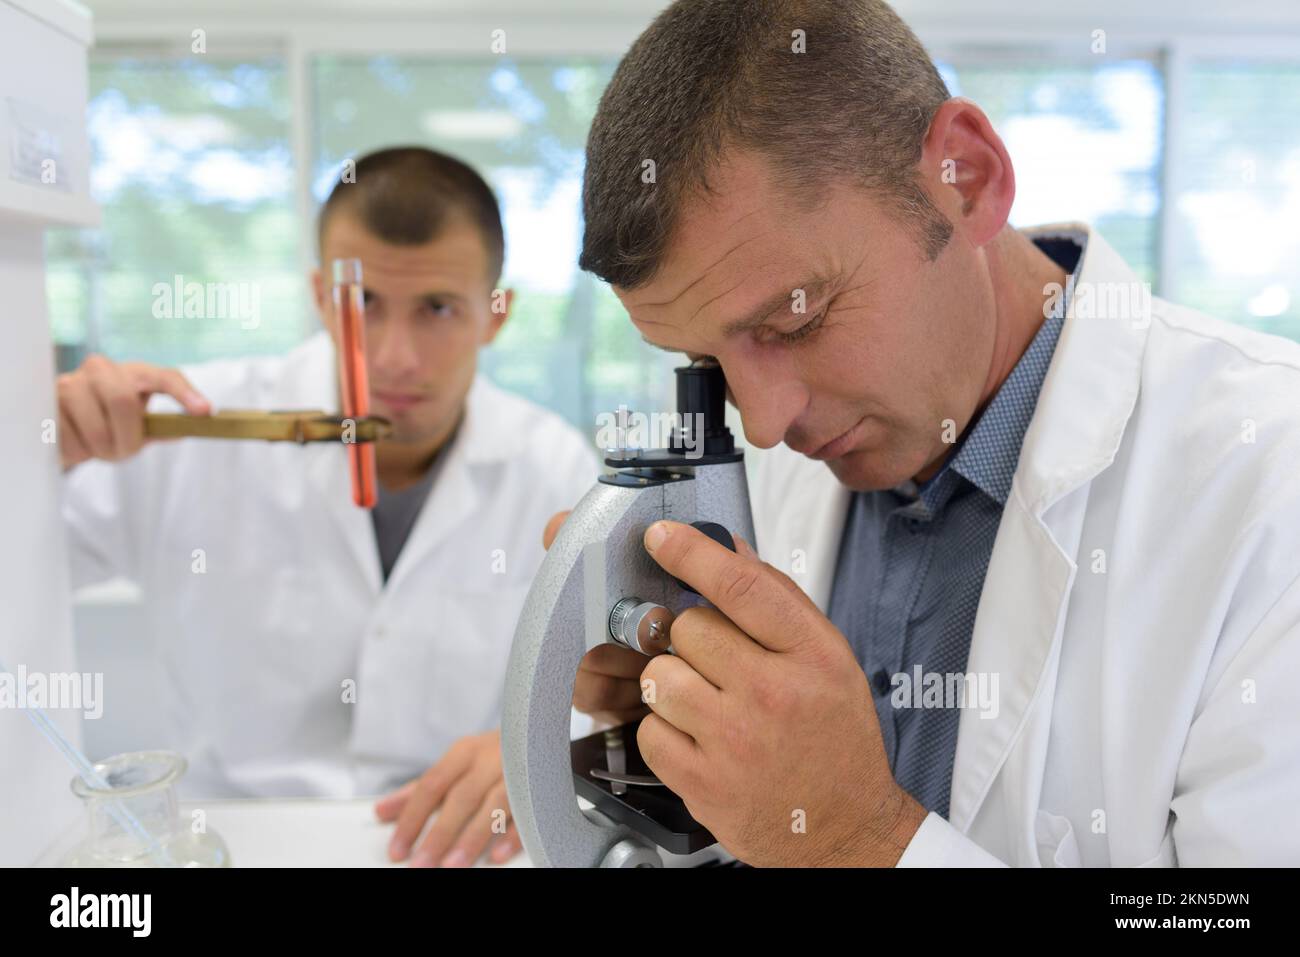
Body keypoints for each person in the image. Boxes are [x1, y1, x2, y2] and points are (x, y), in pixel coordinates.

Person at [566, 0, 1300, 866]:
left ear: (968, 177)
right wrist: (666, 758)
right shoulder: (781, 464)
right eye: (707, 362)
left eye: (797, 322)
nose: (764, 425)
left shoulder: (1267, 476)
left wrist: (857, 839)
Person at [59, 147, 596, 867]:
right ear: (319, 296)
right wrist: (39, 449)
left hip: (454, 844)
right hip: (230, 841)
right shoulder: (189, 428)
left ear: (496, 314)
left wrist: (548, 745)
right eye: (361, 303)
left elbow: (615, 675)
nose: (396, 357)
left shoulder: (552, 466)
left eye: (437, 307)